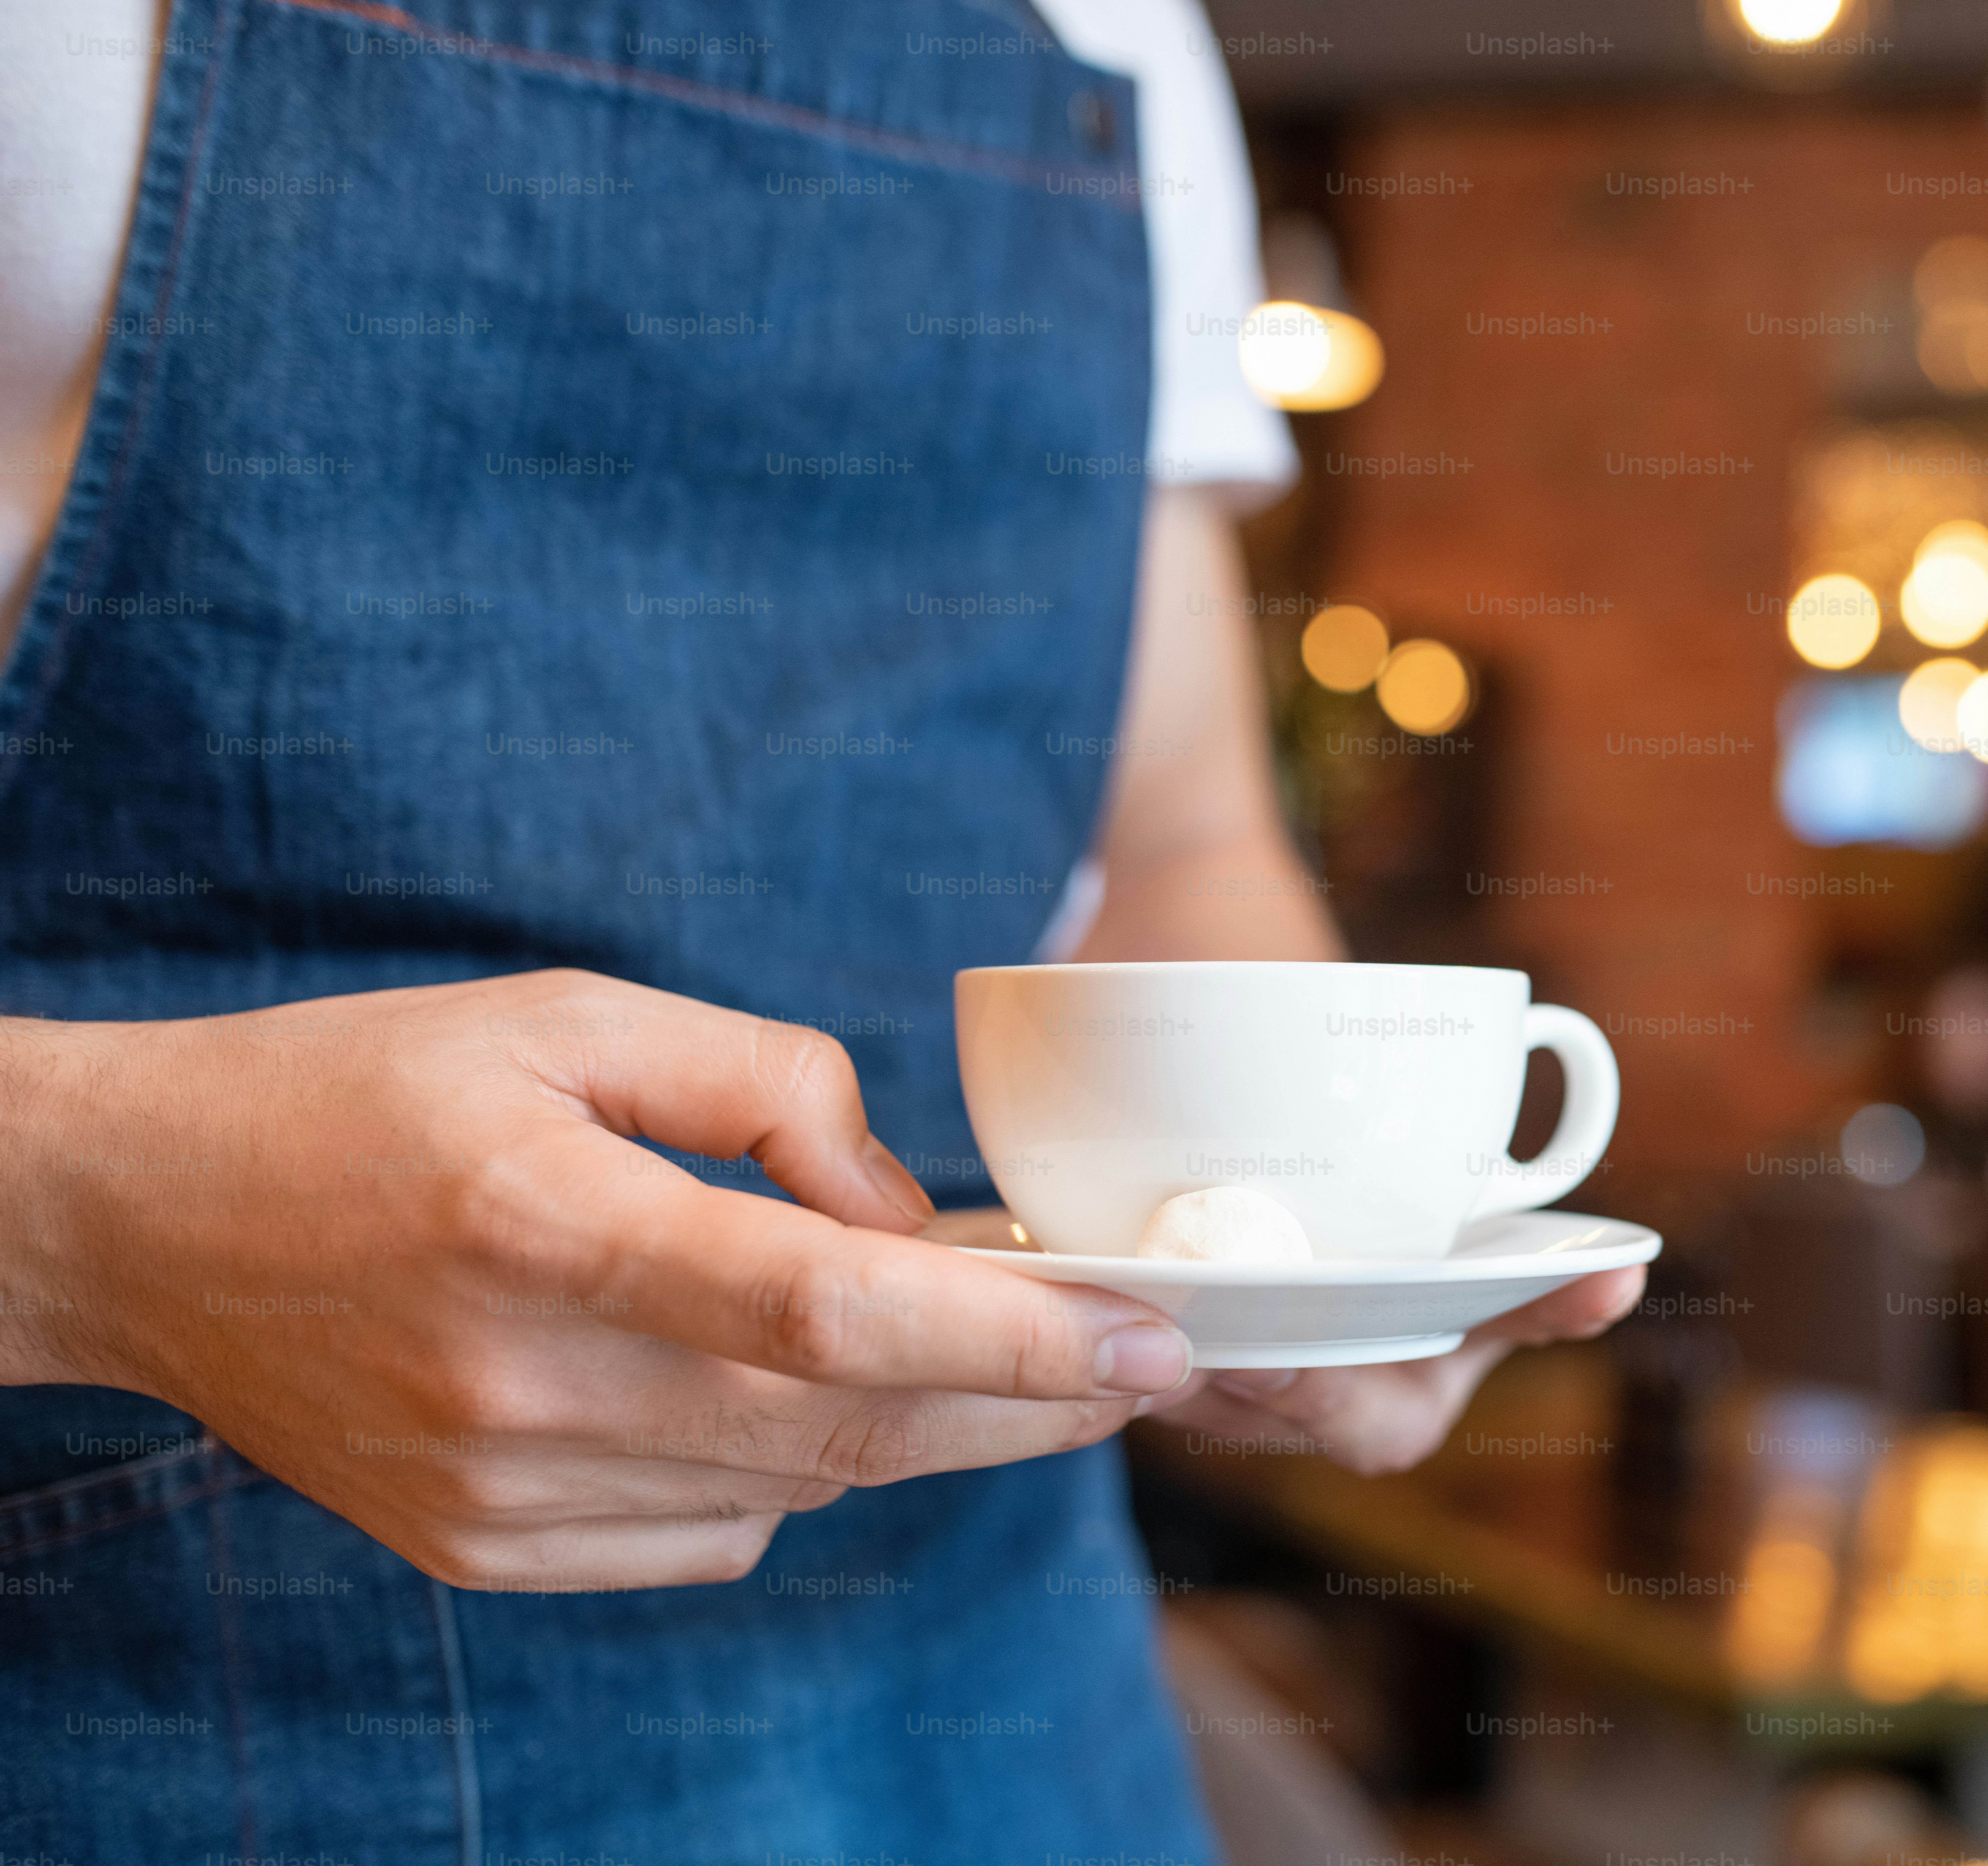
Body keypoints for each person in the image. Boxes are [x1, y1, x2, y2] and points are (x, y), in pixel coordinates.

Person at [0, 3, 1642, 1857]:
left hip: (988, 1687)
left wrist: (1328, 1245)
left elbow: (1180, 841)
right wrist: (78, 1216)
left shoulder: (1124, 33)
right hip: (150, 1673)